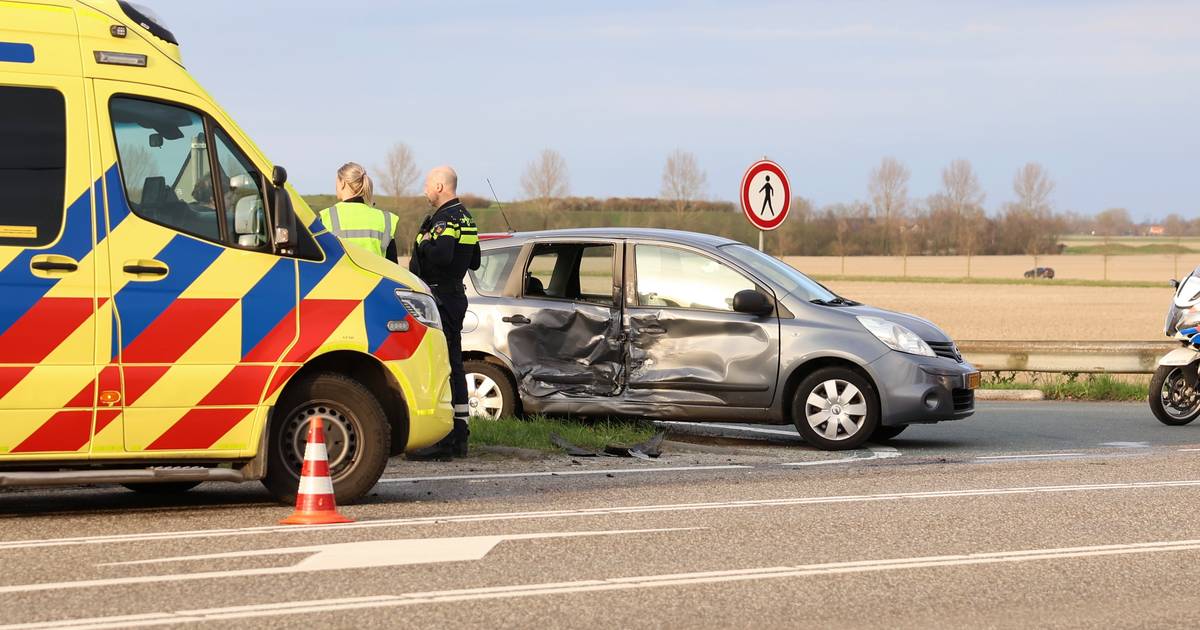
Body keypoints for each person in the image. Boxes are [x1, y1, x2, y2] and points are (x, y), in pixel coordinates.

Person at [407, 166, 480, 460]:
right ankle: (459, 433)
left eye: (427, 185)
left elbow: (442, 254)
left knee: (444, 364)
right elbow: (473, 260)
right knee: (454, 363)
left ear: (439, 186)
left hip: (441, 296)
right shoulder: (466, 216)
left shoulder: (446, 218)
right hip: (455, 294)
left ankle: (447, 439)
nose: (425, 190)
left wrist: (424, 242)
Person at [319, 162, 395, 258]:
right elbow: (393, 265)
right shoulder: (385, 219)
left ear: (342, 183)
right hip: (375, 273)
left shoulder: (327, 217)